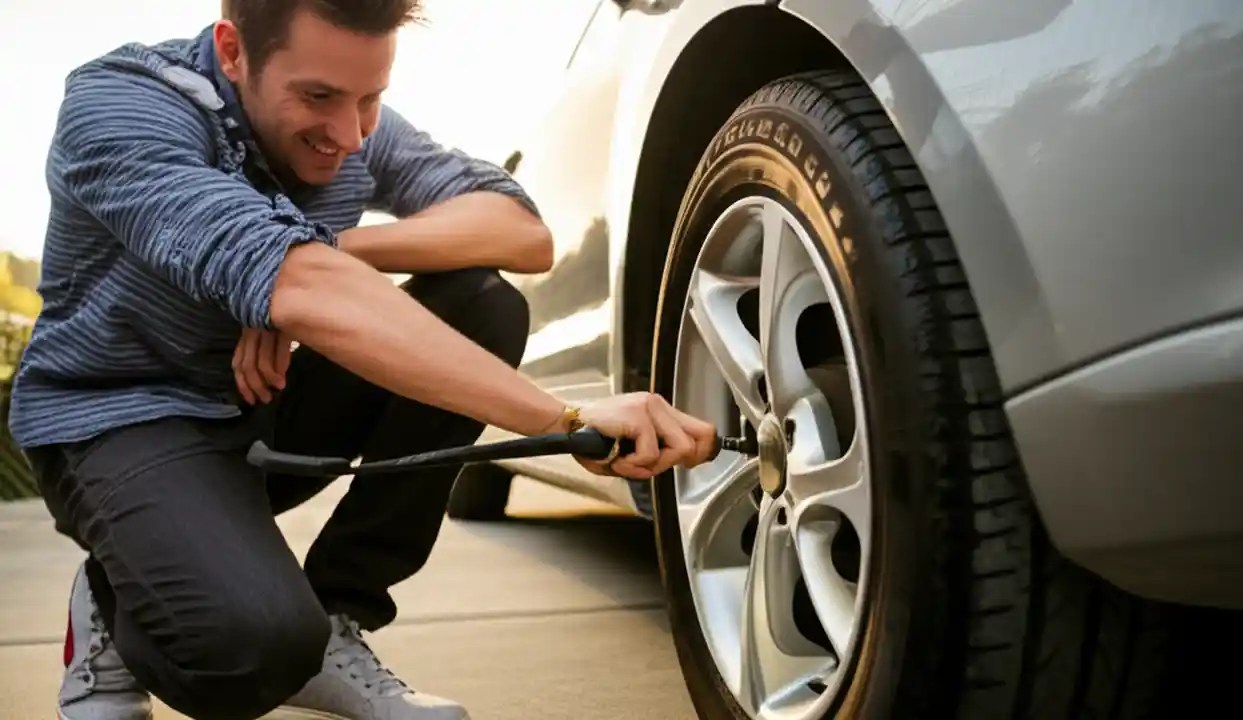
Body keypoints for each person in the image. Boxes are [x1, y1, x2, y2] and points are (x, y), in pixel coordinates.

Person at [6, 1, 719, 719]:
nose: (349, 134)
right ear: (232, 52)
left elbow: (521, 231)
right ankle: (112, 590)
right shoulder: (122, 106)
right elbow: (292, 278)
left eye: (370, 98)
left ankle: (336, 619)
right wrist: (564, 418)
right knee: (251, 651)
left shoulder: (347, 123)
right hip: (123, 417)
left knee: (481, 302)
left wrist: (331, 251)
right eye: (317, 96)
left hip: (259, 400)